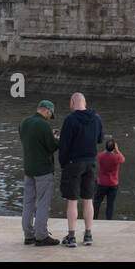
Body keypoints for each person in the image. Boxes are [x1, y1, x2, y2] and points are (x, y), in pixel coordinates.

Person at [57, 93, 103, 248]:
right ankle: (88, 234)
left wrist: (63, 163)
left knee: (72, 201)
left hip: (74, 163)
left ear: (72, 102)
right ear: (85, 102)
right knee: (88, 199)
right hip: (91, 162)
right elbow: (100, 139)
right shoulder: (97, 118)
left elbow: (64, 145)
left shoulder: (70, 120)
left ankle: (71, 236)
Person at [19, 100, 59, 246]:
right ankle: (41, 236)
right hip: (43, 170)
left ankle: (28, 235)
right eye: (50, 115)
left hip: (28, 168)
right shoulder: (44, 125)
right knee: (42, 202)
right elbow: (51, 147)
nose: (50, 117)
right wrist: (56, 139)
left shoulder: (24, 122)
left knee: (28, 202)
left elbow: (28, 141)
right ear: (47, 111)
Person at [93, 139, 125, 221]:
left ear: (105, 147)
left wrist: (106, 149)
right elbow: (123, 159)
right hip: (113, 183)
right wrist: (117, 150)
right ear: (114, 148)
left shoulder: (100, 156)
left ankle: (94, 218)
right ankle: (108, 220)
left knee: (97, 202)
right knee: (110, 204)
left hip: (102, 183)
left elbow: (98, 157)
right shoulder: (117, 157)